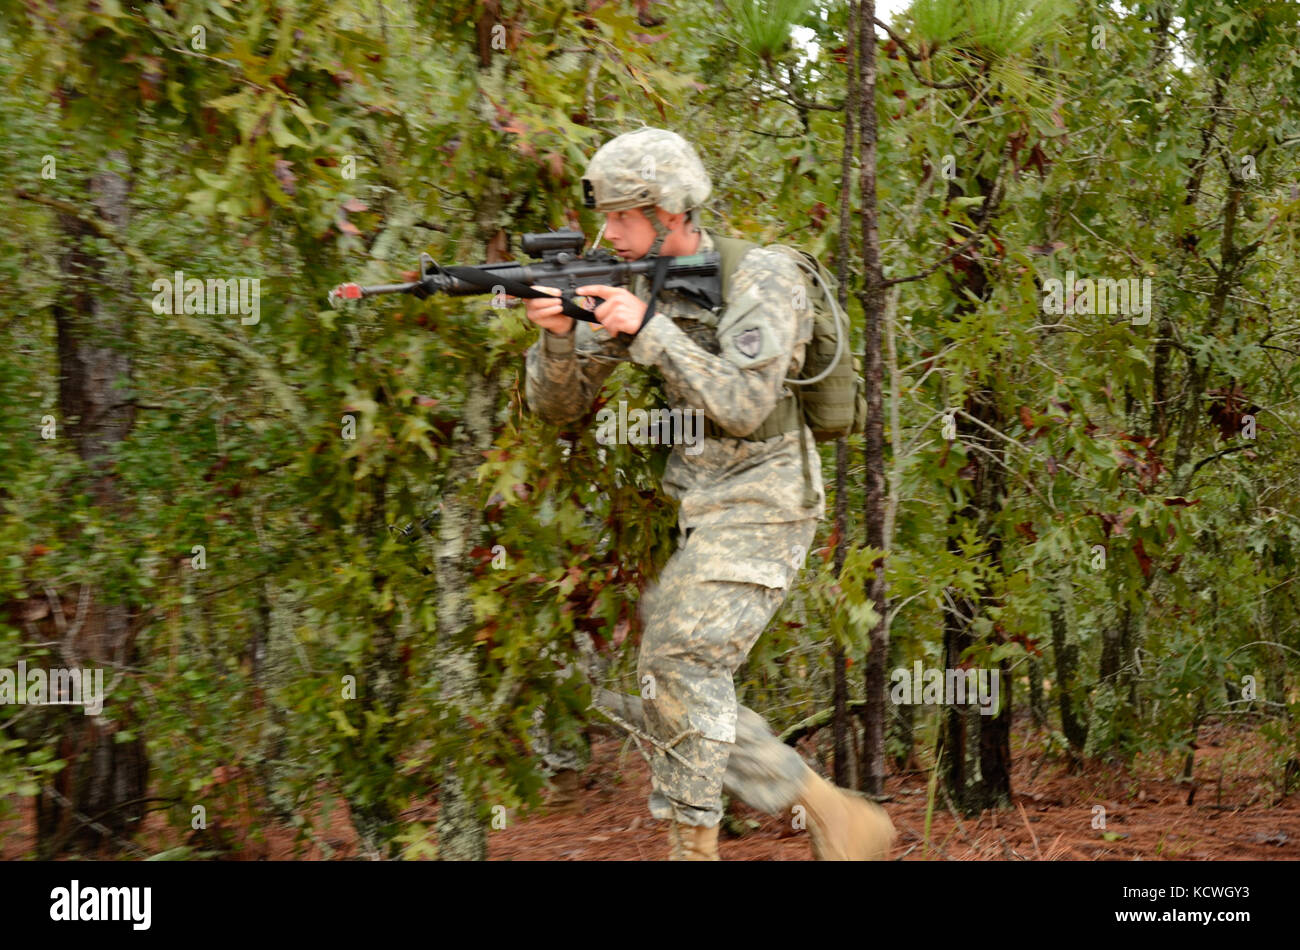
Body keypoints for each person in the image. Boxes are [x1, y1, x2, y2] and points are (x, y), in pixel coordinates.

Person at [522, 127, 894, 861]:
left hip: (768, 498)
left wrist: (651, 331)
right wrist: (558, 337)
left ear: (670, 210)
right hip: (701, 508)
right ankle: (827, 808)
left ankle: (693, 848)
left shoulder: (763, 277)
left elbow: (747, 404)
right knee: (670, 676)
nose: (609, 234)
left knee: (678, 666)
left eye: (624, 217)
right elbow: (558, 410)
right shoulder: (626, 284)